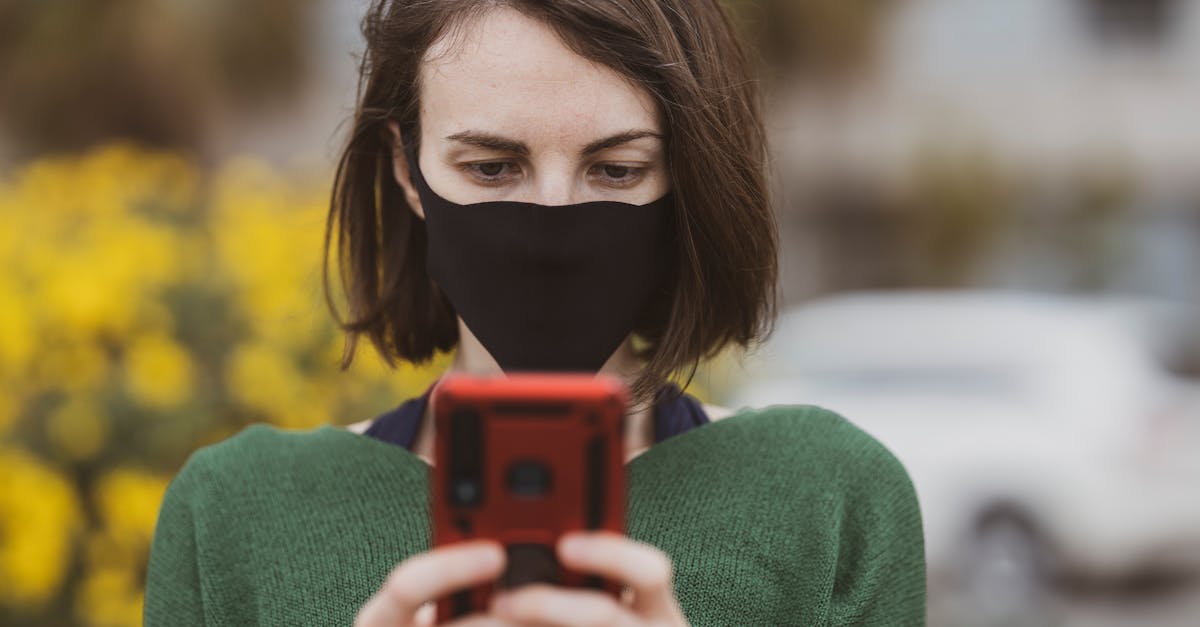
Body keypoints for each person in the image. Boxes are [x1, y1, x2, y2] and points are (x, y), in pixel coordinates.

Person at [143, 1, 926, 625]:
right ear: (406, 172)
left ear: (683, 177)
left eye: (616, 169)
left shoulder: (828, 497)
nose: (552, 214)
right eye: (491, 166)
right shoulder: (237, 511)